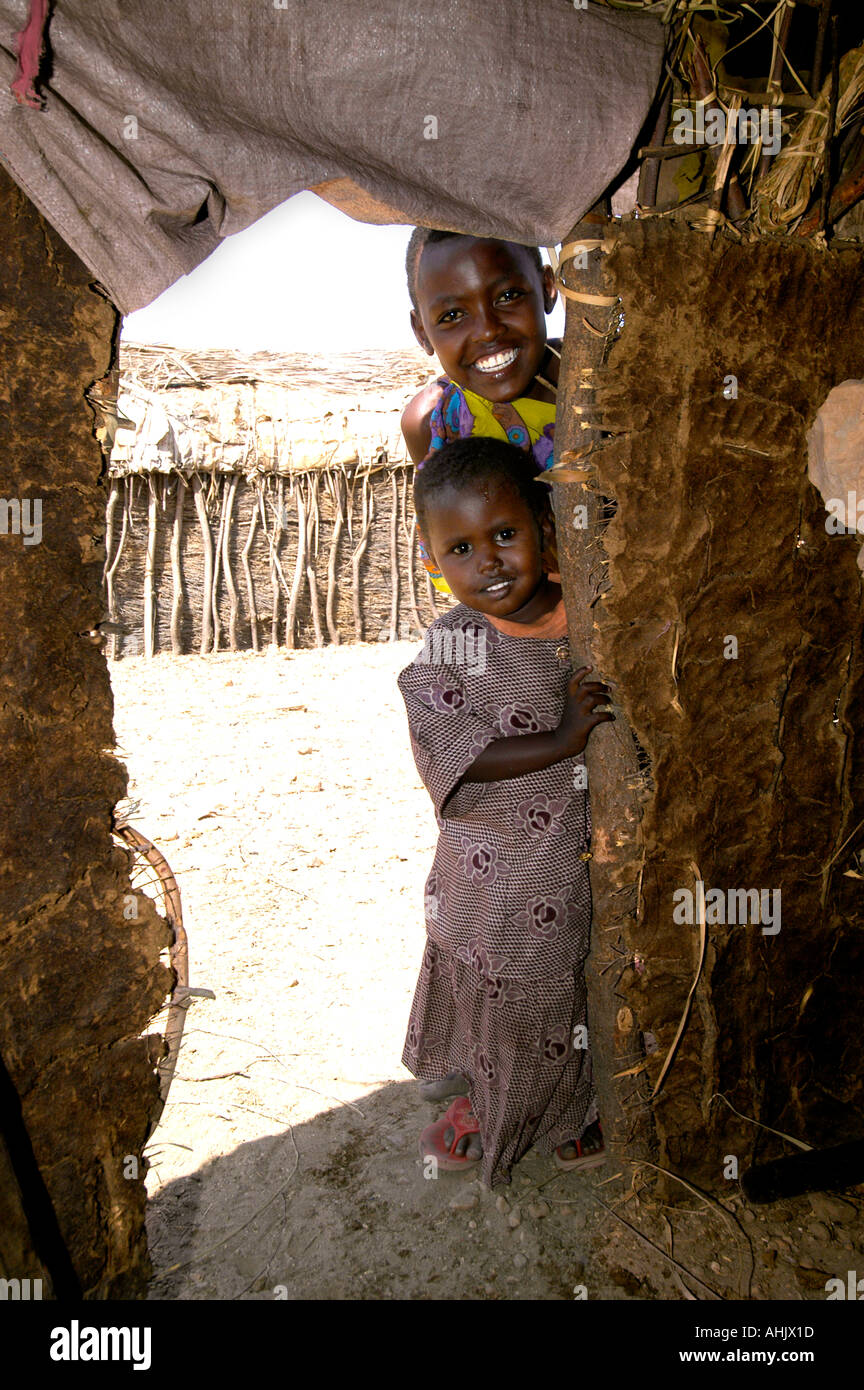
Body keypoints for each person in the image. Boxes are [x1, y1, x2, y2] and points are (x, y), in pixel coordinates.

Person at [397, 436, 610, 1187]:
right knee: (514, 998)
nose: (486, 561)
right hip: (496, 878)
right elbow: (458, 752)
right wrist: (564, 738)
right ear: (433, 560)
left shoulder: (592, 614)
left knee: (570, 996)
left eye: (505, 535)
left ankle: (568, 1108)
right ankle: (492, 1108)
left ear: (546, 529)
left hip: (572, 866)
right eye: (460, 548)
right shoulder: (459, 644)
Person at [401, 229, 561, 592]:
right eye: (453, 314)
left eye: (508, 296)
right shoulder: (434, 423)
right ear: (421, 331)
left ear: (547, 286)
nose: (488, 330)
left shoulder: (609, 385)